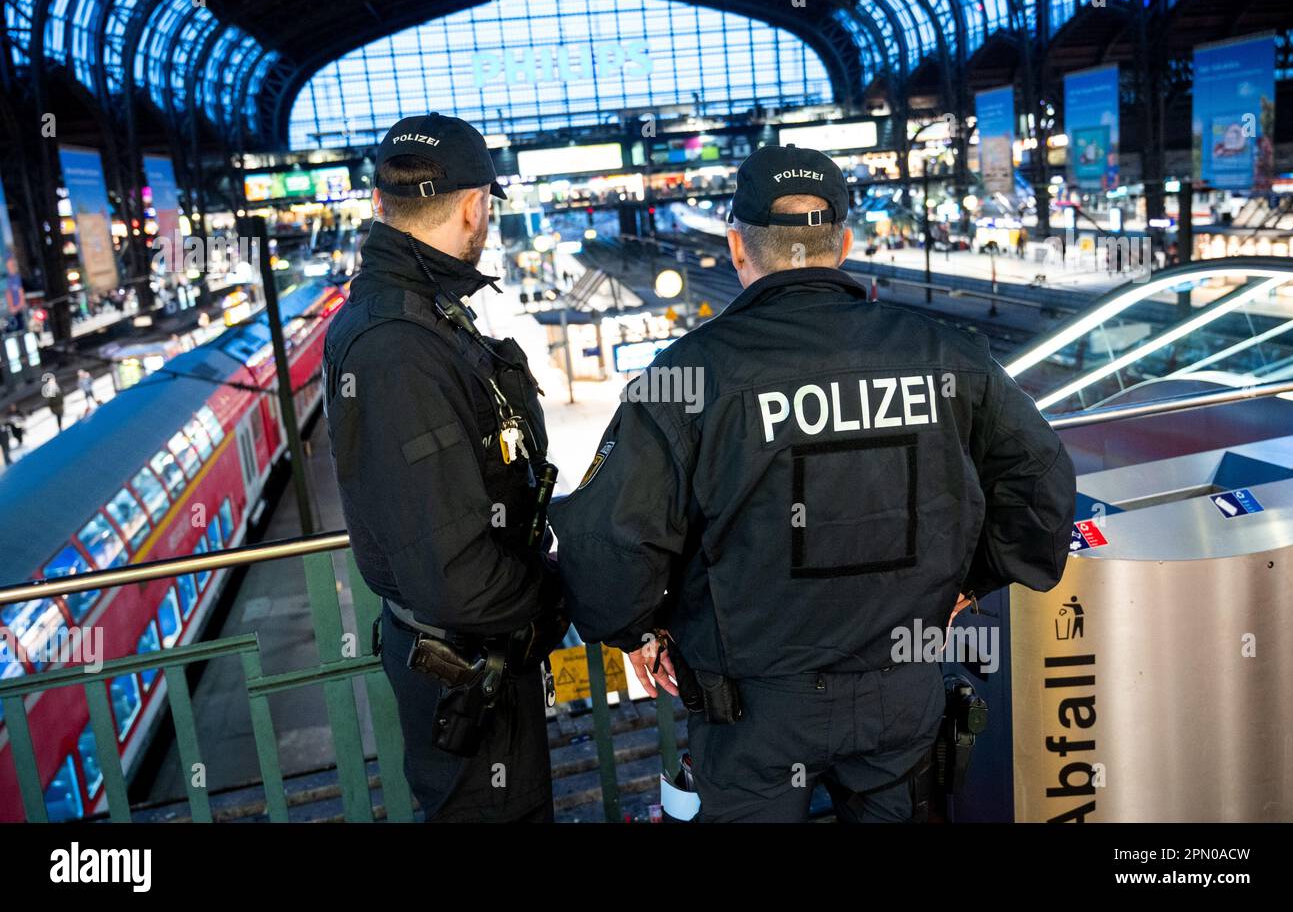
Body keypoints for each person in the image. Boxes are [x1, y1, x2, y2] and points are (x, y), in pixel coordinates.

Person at [549, 144, 1076, 823]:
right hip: (901, 693)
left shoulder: (684, 378)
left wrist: (641, 631)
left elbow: (603, 545)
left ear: (737, 246)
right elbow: (1040, 480)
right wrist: (971, 586)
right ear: (846, 242)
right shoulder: (943, 354)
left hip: (751, 713)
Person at [322, 113, 566, 822]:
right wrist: (560, 592)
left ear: (379, 204)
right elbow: (454, 572)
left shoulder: (414, 317)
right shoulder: (400, 345)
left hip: (473, 655)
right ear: (474, 205)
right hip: (467, 667)